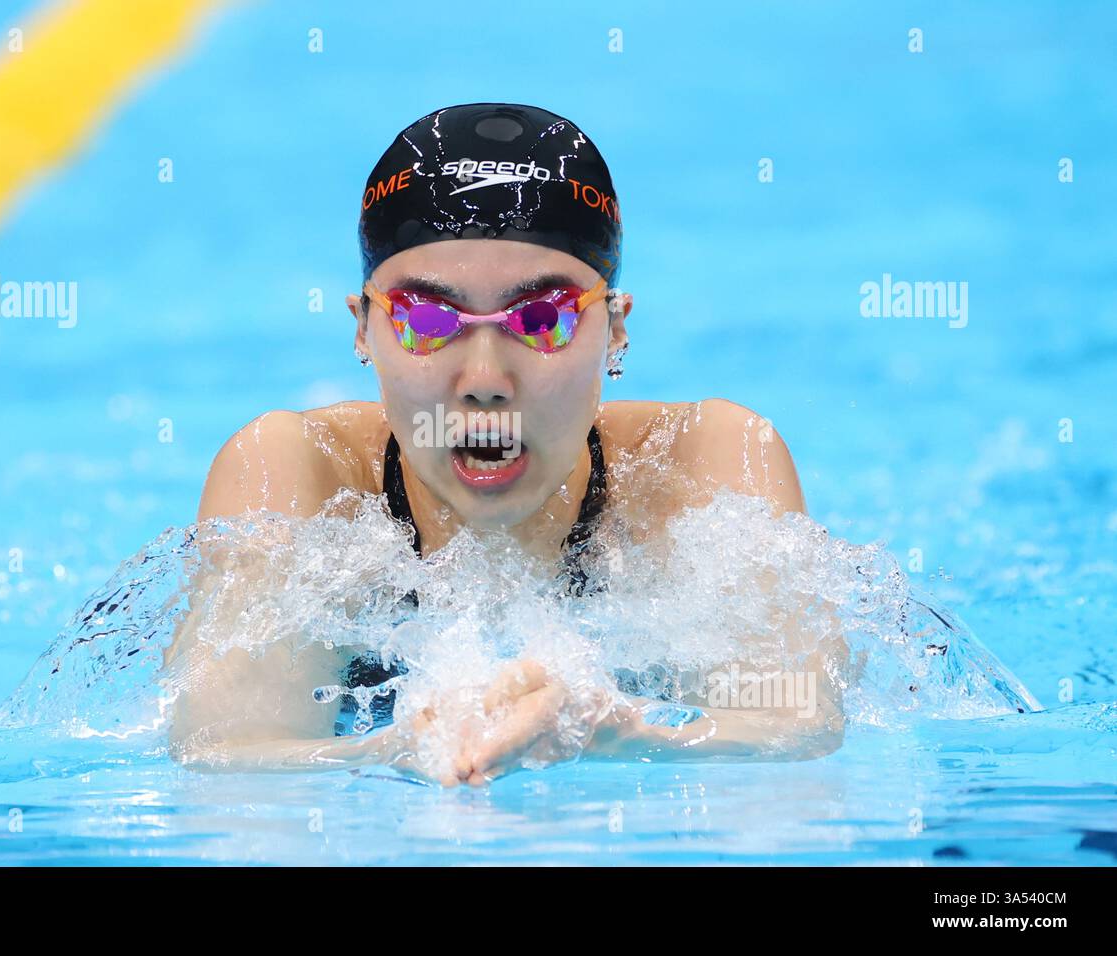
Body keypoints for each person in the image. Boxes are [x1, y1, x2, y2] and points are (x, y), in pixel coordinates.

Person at [165, 103, 843, 786]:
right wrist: (391, 755)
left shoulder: (703, 464)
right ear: (363, 329)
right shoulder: (298, 476)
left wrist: (627, 735)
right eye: (427, 319)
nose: (485, 380)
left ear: (615, 329)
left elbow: (798, 729)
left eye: (540, 319)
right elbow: (225, 761)